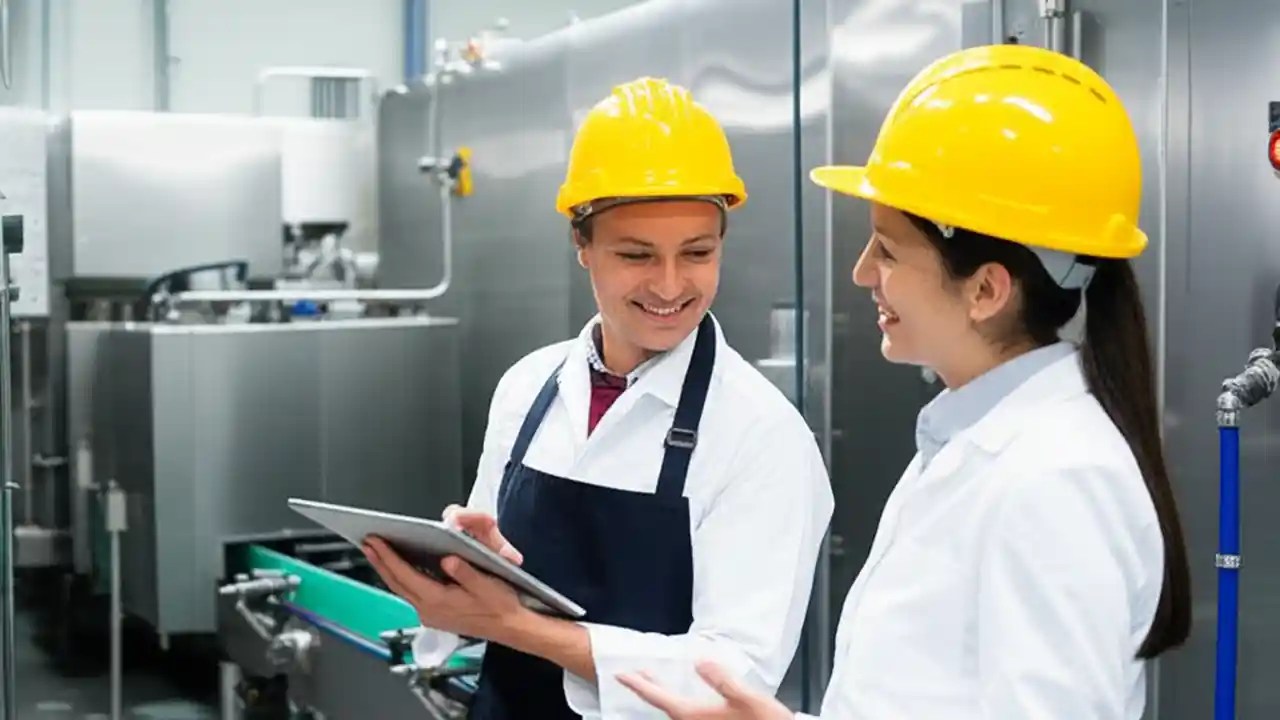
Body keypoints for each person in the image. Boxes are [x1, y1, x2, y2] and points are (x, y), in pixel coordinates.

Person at [616, 44, 1193, 720]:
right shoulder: (978, 441)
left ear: (985, 289)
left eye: (887, 250)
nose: (863, 273)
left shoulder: (1054, 479)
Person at [362, 76, 834, 719]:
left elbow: (728, 682)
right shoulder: (528, 389)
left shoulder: (762, 435)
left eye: (697, 252)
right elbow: (475, 623)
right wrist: (468, 575)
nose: (670, 285)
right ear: (581, 245)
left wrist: (518, 625)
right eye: (636, 255)